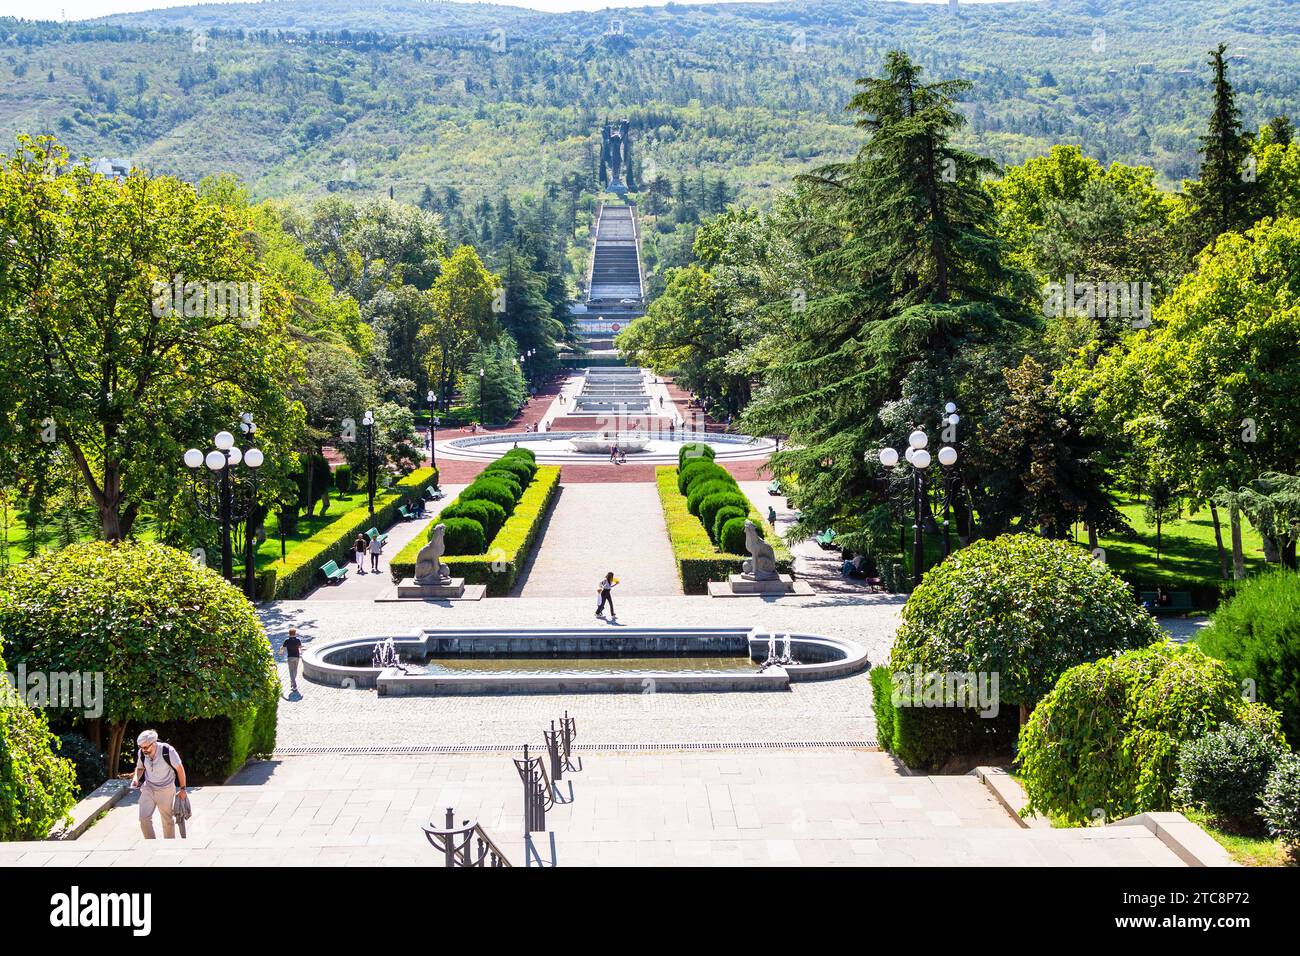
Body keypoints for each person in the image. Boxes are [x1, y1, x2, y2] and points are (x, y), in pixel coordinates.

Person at [132, 730, 187, 840]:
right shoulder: (141, 752)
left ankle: (168, 845)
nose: (143, 750)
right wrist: (135, 779)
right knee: (143, 819)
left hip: (166, 789)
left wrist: (183, 789)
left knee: (167, 820)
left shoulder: (167, 751)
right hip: (149, 787)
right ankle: (151, 844)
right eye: (141, 747)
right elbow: (140, 767)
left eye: (146, 747)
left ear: (154, 743)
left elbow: (180, 769)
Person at [282, 628, 303, 695]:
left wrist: (280, 652)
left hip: (290, 657)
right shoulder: (298, 640)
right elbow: (300, 648)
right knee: (295, 670)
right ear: (295, 633)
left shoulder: (287, 641)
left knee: (291, 671)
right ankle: (292, 682)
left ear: (289, 634)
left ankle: (294, 685)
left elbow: (283, 649)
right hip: (297, 657)